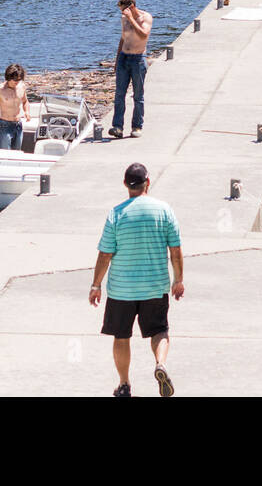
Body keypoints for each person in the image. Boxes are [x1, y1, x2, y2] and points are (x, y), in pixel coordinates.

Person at [90, 163, 184, 397]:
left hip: (122, 289)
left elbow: (105, 254)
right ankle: (160, 363)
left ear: (125, 185)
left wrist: (96, 285)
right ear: (147, 183)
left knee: (121, 335)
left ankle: (124, 385)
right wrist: (178, 280)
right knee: (159, 330)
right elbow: (175, 250)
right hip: (155, 286)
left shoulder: (116, 213)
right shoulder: (164, 210)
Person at [110, 0, 152, 139]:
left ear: (131, 6)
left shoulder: (145, 17)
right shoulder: (124, 19)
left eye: (124, 10)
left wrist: (130, 18)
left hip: (138, 59)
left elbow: (143, 35)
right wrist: (117, 60)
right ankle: (117, 126)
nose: (122, 14)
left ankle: (137, 126)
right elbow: (123, 38)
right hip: (124, 58)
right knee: (119, 94)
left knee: (138, 95)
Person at [0, 63, 31, 150]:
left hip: (18, 125)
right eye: (15, 80)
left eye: (19, 79)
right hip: (5, 126)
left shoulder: (22, 86)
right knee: (4, 154)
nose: (17, 82)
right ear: (8, 77)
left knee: (17, 153)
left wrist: (27, 112)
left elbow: (25, 101)